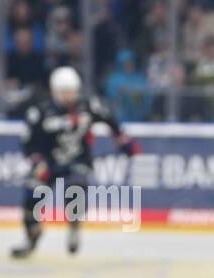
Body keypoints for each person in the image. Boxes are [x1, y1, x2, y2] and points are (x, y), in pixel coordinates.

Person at [11, 66, 140, 258]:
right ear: (55, 92)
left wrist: (125, 143)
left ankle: (74, 226)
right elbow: (28, 143)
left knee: (76, 186)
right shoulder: (39, 112)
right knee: (32, 196)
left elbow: (112, 122)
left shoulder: (88, 106)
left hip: (77, 160)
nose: (69, 96)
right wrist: (38, 162)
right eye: (64, 92)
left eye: (72, 91)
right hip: (48, 163)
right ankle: (32, 236)